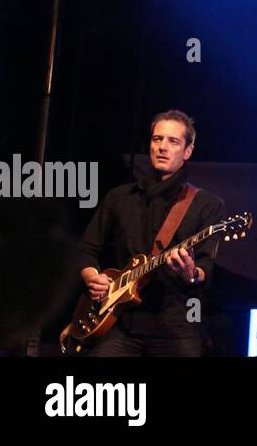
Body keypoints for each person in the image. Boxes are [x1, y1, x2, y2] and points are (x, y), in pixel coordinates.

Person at [76, 110, 225, 356]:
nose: (162, 147)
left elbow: (205, 271)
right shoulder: (119, 197)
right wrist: (91, 277)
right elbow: (87, 249)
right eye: (157, 139)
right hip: (118, 322)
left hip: (175, 326)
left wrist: (190, 273)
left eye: (173, 141)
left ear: (188, 152)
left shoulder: (206, 204)